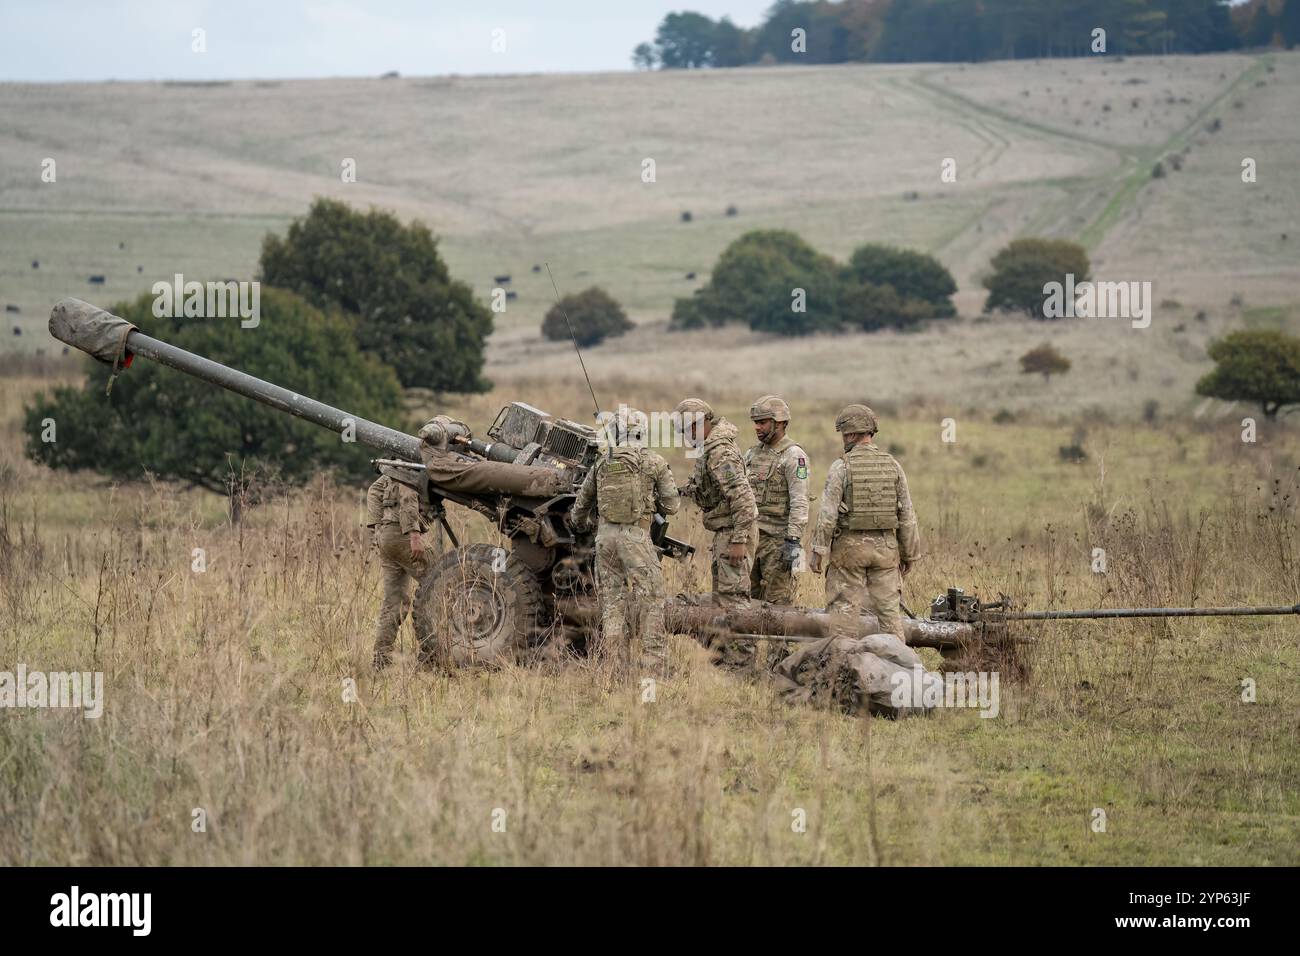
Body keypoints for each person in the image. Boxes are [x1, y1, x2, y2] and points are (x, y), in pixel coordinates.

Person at [569, 407, 679, 673]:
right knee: (650, 601)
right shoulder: (653, 461)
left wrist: (586, 525)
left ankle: (615, 670)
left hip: (605, 539)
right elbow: (672, 505)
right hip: (636, 538)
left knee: (612, 603)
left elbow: (579, 509)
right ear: (642, 432)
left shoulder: (601, 463)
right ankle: (655, 667)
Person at [809, 404, 920, 641]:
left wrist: (818, 551)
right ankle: (897, 666)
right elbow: (907, 515)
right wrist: (909, 554)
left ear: (849, 434)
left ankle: (844, 668)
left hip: (849, 552)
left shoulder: (841, 466)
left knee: (844, 619)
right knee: (890, 618)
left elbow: (827, 515)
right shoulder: (893, 465)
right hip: (886, 552)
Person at [743, 394, 809, 606]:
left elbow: (800, 501)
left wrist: (794, 542)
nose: (757, 427)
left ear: (780, 423)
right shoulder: (752, 455)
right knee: (746, 602)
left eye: (762, 422)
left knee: (779, 606)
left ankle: (779, 641)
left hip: (780, 542)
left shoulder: (794, 456)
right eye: (755, 423)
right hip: (752, 539)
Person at [366, 472, 430, 669]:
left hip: (386, 534)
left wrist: (377, 527)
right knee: (443, 582)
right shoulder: (409, 465)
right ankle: (434, 652)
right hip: (402, 534)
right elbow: (408, 496)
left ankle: (381, 657)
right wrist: (414, 535)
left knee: (393, 601)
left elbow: (373, 491)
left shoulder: (391, 468)